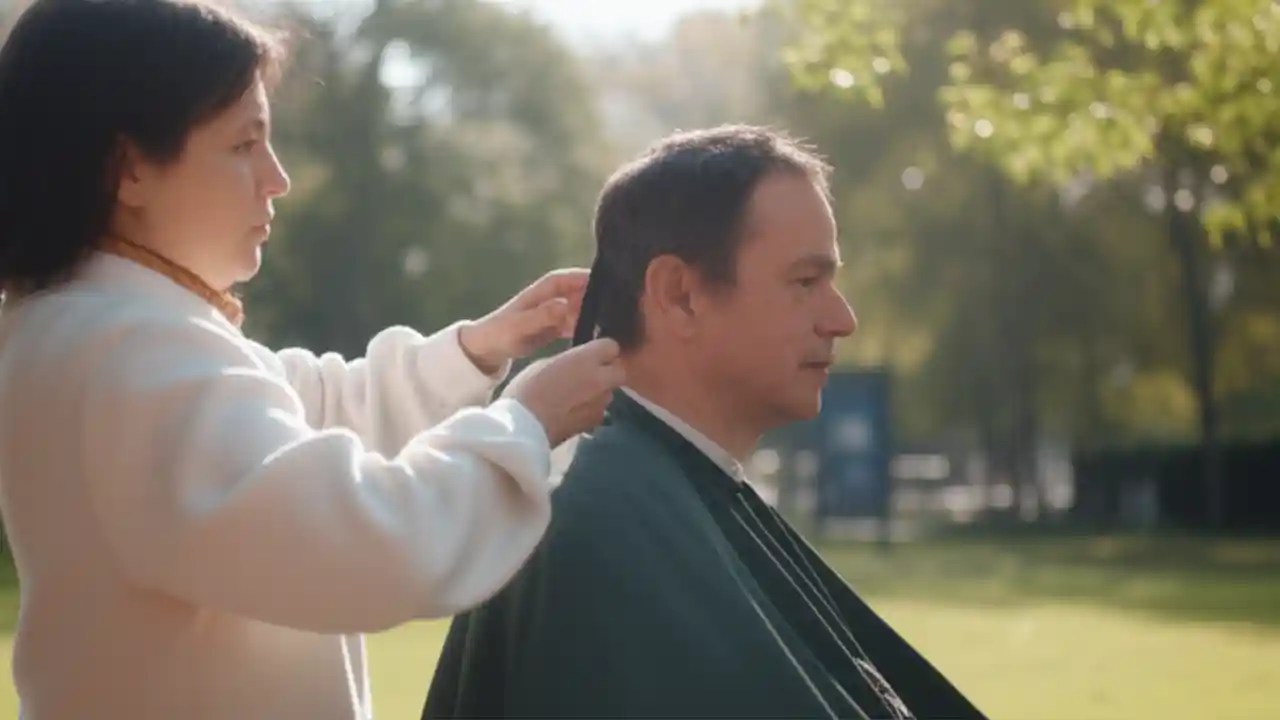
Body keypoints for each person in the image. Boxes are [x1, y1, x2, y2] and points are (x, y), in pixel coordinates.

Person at [0, 1, 623, 718]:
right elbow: (360, 545)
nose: (278, 177)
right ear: (129, 169)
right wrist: (528, 422)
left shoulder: (103, 328)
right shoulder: (127, 354)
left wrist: (475, 350)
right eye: (243, 145)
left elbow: (297, 417)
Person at [423, 125, 986, 720]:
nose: (841, 319)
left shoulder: (665, 488)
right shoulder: (599, 520)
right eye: (804, 281)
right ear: (681, 294)